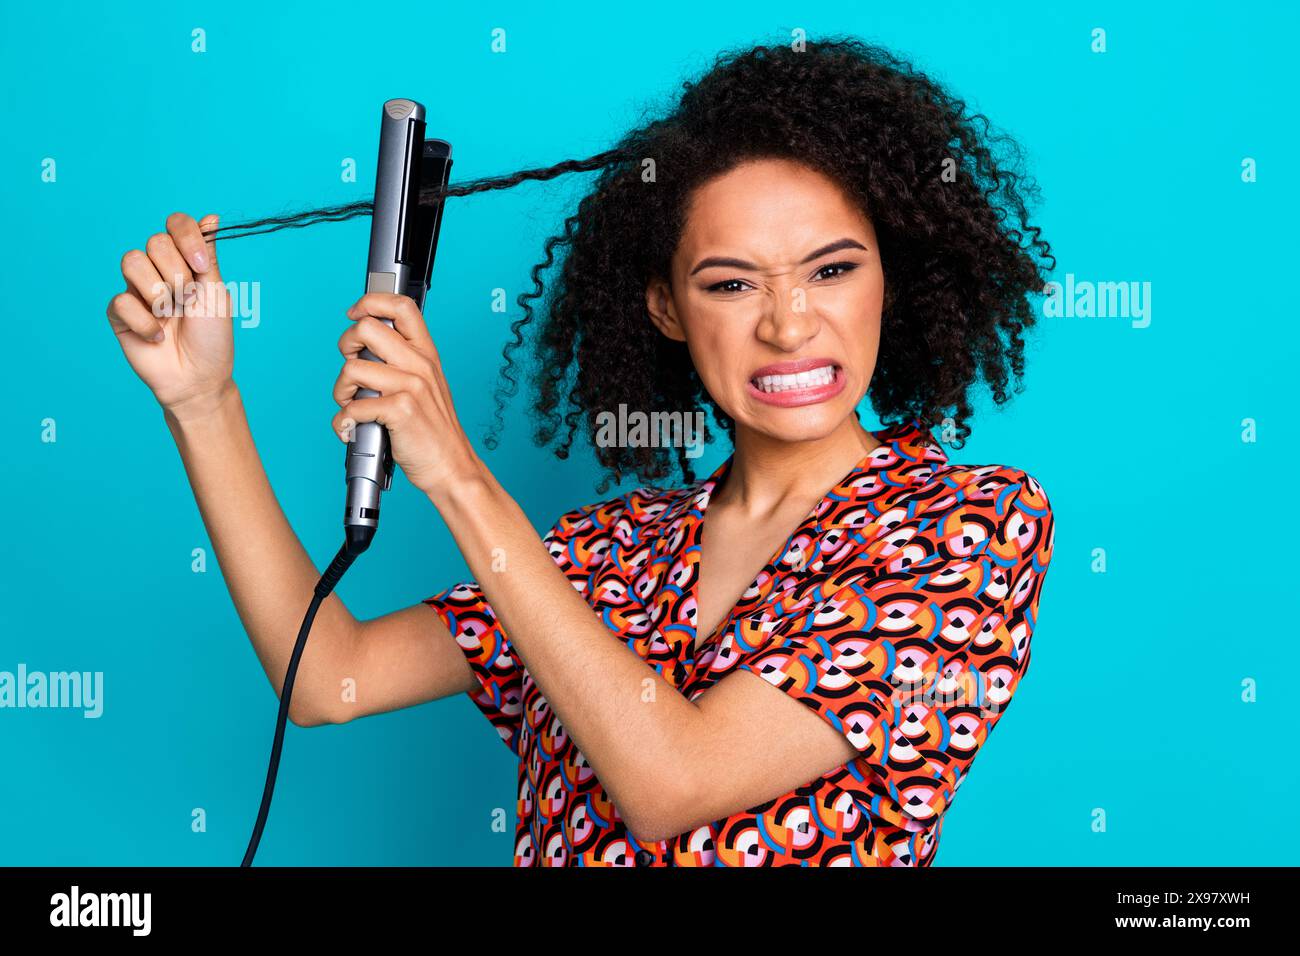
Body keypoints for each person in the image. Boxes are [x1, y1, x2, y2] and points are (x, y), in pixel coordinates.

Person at [105, 37, 1056, 866]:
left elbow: (672, 782)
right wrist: (203, 401)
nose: (790, 326)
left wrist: (458, 474)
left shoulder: (967, 528)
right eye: (731, 285)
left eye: (833, 269)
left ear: (890, 275)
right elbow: (327, 678)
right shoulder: (609, 550)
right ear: (665, 307)